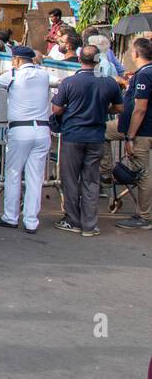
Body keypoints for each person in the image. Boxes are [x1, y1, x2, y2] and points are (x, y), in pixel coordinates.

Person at [51, 45, 123, 236]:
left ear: (79, 59)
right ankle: (89, 225)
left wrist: (71, 109)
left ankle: (73, 220)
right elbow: (119, 108)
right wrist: (103, 109)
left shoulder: (69, 82)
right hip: (96, 137)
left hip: (73, 136)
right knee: (91, 181)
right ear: (98, 61)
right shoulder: (109, 83)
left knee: (70, 179)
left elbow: (56, 109)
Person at [0, 46, 53, 234]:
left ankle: (10, 216)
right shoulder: (43, 75)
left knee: (13, 173)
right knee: (35, 177)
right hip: (42, 129)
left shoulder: (12, 75)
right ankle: (31, 220)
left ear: (17, 60)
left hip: (20, 129)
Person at [109, 37, 152, 229]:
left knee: (143, 173)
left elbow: (140, 108)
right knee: (103, 131)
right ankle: (105, 172)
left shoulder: (145, 75)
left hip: (142, 131)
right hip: (139, 128)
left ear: (135, 53)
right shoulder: (143, 74)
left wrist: (130, 137)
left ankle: (144, 216)